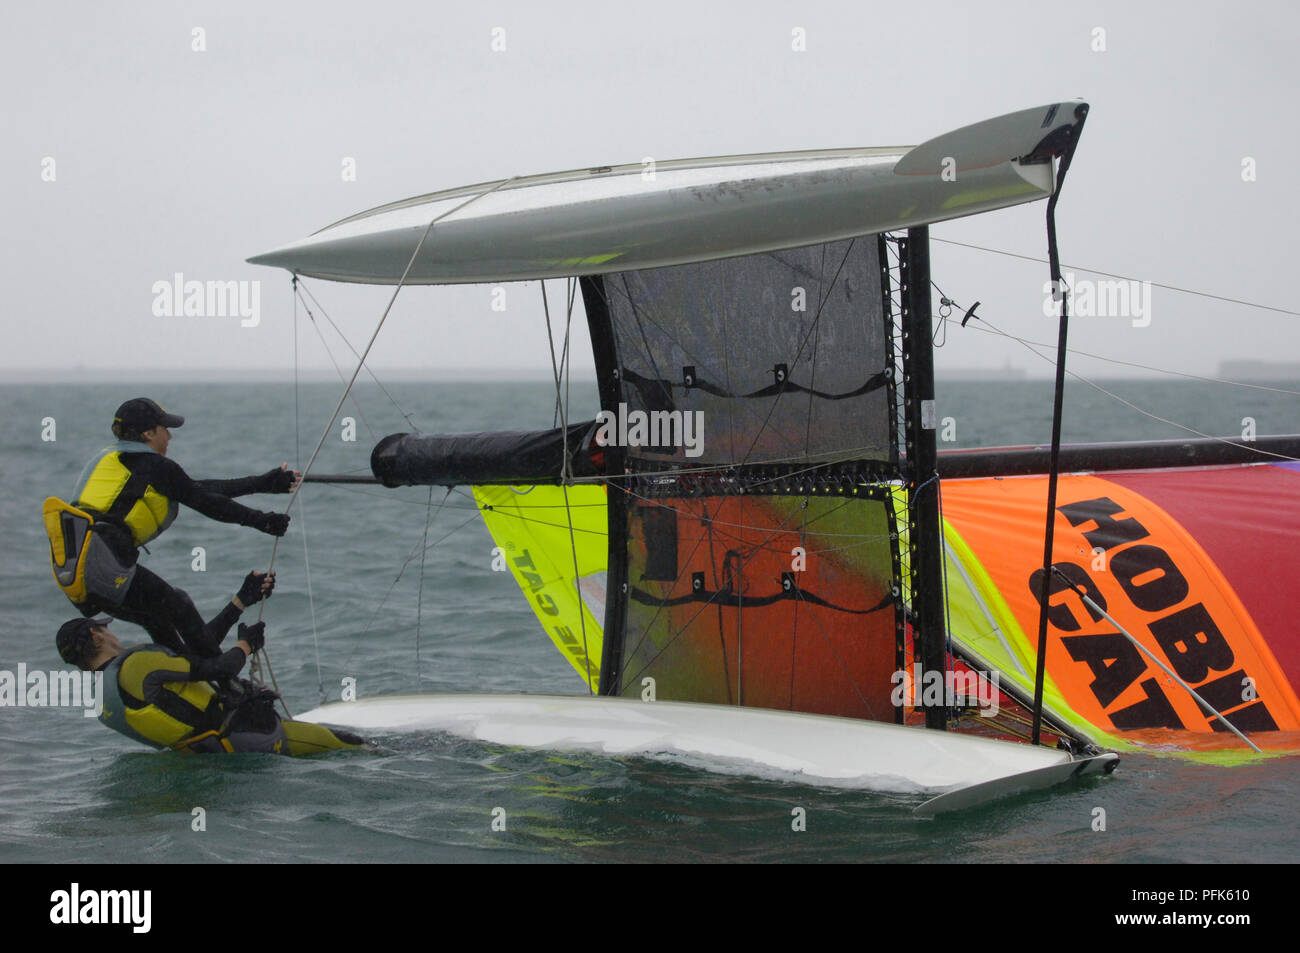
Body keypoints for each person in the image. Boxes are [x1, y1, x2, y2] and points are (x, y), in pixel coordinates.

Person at [44, 397, 297, 658]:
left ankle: (197, 681)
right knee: (179, 604)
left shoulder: (116, 460)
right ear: (148, 433)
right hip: (101, 563)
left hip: (76, 571)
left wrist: (264, 483)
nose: (170, 437)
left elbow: (192, 489)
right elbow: (204, 501)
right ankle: (227, 686)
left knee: (159, 621)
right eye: (165, 429)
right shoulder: (152, 465)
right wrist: (262, 520)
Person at [55, 615, 363, 755]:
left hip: (211, 752)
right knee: (353, 746)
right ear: (98, 636)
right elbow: (221, 667)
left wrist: (238, 604)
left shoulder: (105, 704)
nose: (114, 634)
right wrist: (247, 644)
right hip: (249, 736)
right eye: (106, 629)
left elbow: (195, 655)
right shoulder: (137, 664)